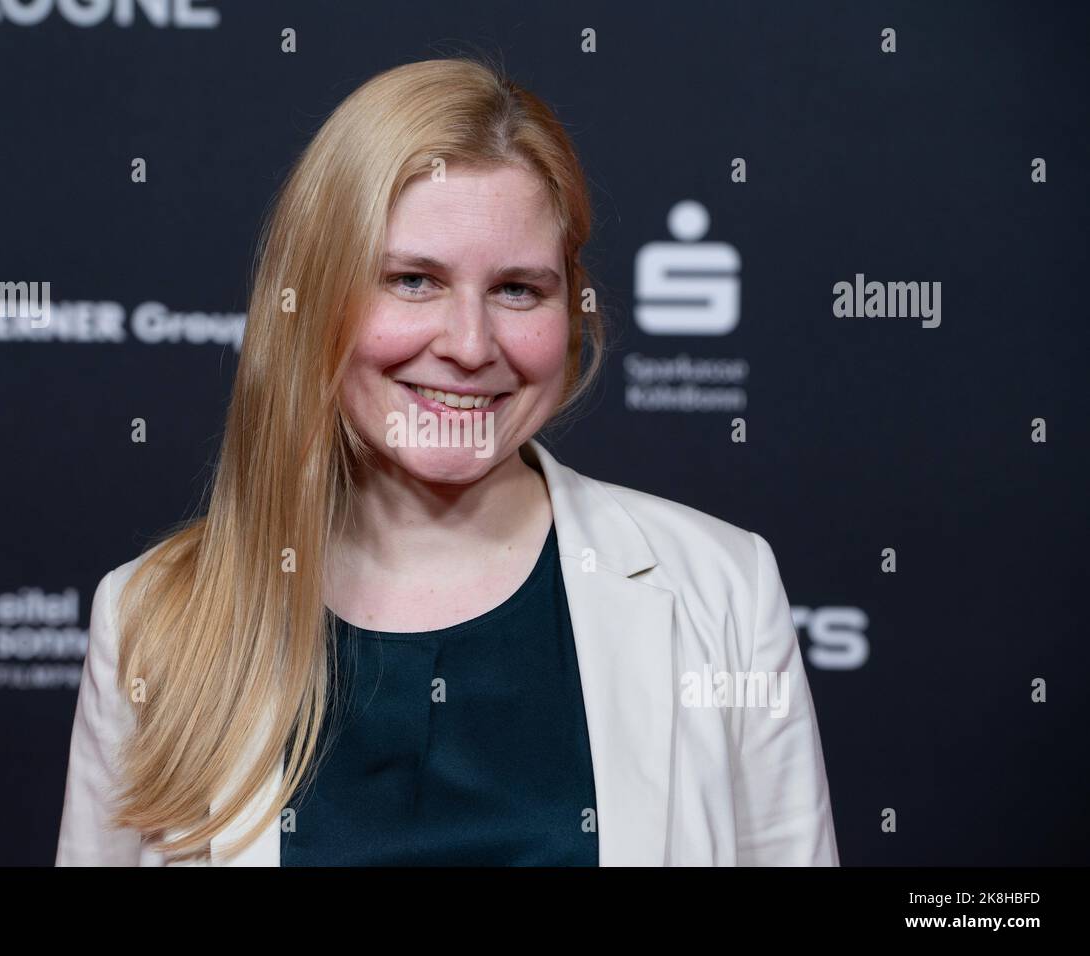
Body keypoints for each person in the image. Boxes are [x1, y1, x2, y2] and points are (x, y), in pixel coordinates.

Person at [55, 55, 839, 867]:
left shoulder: (724, 593)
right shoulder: (156, 619)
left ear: (570, 312)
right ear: (312, 299)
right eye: (414, 280)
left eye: (518, 290)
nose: (469, 346)